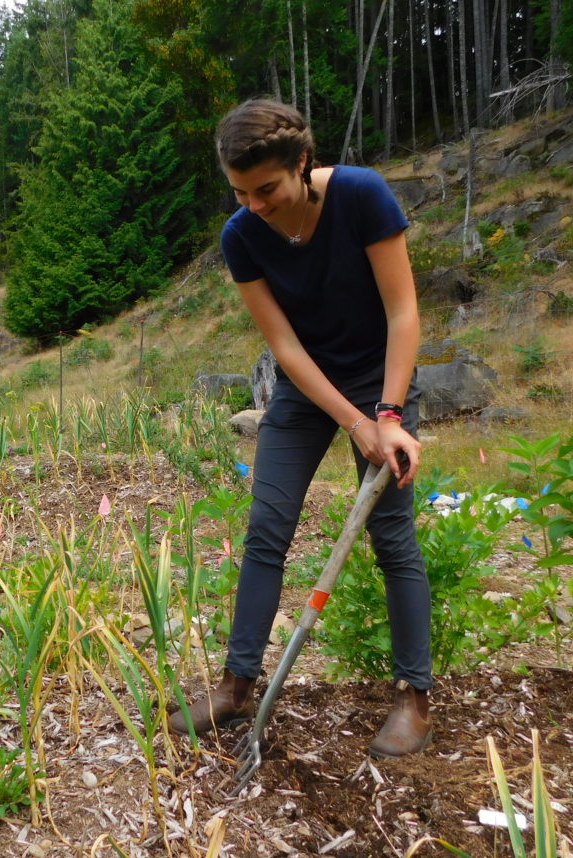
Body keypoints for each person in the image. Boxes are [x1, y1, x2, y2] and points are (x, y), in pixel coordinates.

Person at [172, 98, 433, 758]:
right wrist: (348, 420)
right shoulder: (242, 236)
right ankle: (237, 686)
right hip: (306, 387)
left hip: (380, 383)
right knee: (267, 528)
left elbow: (403, 314)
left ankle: (413, 695)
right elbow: (284, 348)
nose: (254, 205)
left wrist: (387, 418)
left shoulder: (363, 196)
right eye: (239, 193)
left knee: (391, 532)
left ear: (302, 164)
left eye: (267, 189)